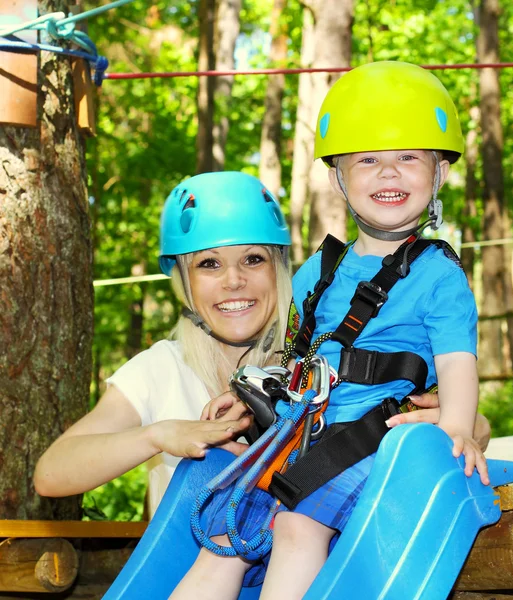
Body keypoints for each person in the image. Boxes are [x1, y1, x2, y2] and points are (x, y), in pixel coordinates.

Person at [172, 62, 488, 600]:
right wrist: (247, 403)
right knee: (225, 532)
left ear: (440, 173)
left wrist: (457, 429)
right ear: (337, 175)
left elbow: (458, 362)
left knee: (296, 525)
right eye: (367, 161)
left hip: (374, 442)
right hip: (302, 434)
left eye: (409, 158)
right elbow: (291, 357)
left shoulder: (440, 274)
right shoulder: (317, 273)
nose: (389, 174)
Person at [33, 171, 292, 516]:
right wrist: (158, 436)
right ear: (183, 280)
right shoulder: (161, 369)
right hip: (181, 569)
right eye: (209, 263)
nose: (234, 280)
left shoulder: (312, 366)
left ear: (279, 268)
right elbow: (51, 473)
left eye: (253, 259)